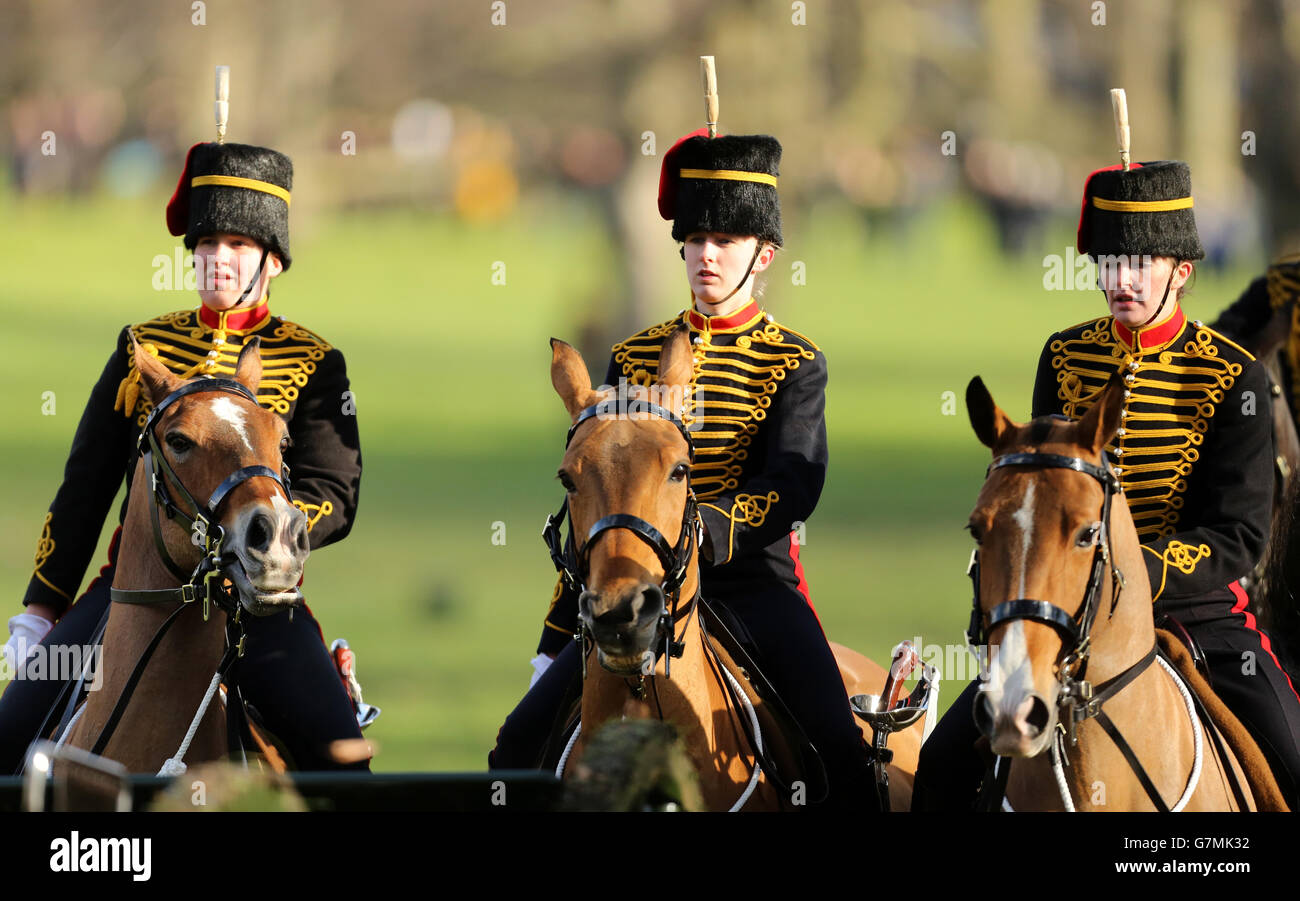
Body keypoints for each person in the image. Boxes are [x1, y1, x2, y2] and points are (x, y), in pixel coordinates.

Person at [489, 128, 877, 809]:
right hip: (630, 581)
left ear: (765, 254)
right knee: (516, 745)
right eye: (695, 241)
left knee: (840, 751)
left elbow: (793, 482)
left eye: (724, 242)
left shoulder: (792, 359)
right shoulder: (633, 354)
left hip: (751, 582)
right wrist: (554, 636)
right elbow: (599, 489)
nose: (706, 256)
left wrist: (700, 532)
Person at [913, 159, 1300, 809]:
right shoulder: (1063, 357)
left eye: (1142, 261)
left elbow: (1239, 533)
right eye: (1110, 260)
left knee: (1289, 757)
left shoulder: (1235, 376)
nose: (1122, 278)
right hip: (1062, 608)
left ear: (1183, 271)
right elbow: (1031, 496)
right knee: (942, 764)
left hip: (1198, 612)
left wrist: (1128, 575)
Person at [0, 140, 369, 772]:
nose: (218, 260)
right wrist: (41, 609)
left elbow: (334, 493)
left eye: (239, 246)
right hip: (134, 592)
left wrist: (260, 527)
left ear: (273, 261)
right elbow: (86, 486)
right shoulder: (142, 346)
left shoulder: (314, 360)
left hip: (257, 594)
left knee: (344, 762)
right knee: (8, 740)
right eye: (206, 245)